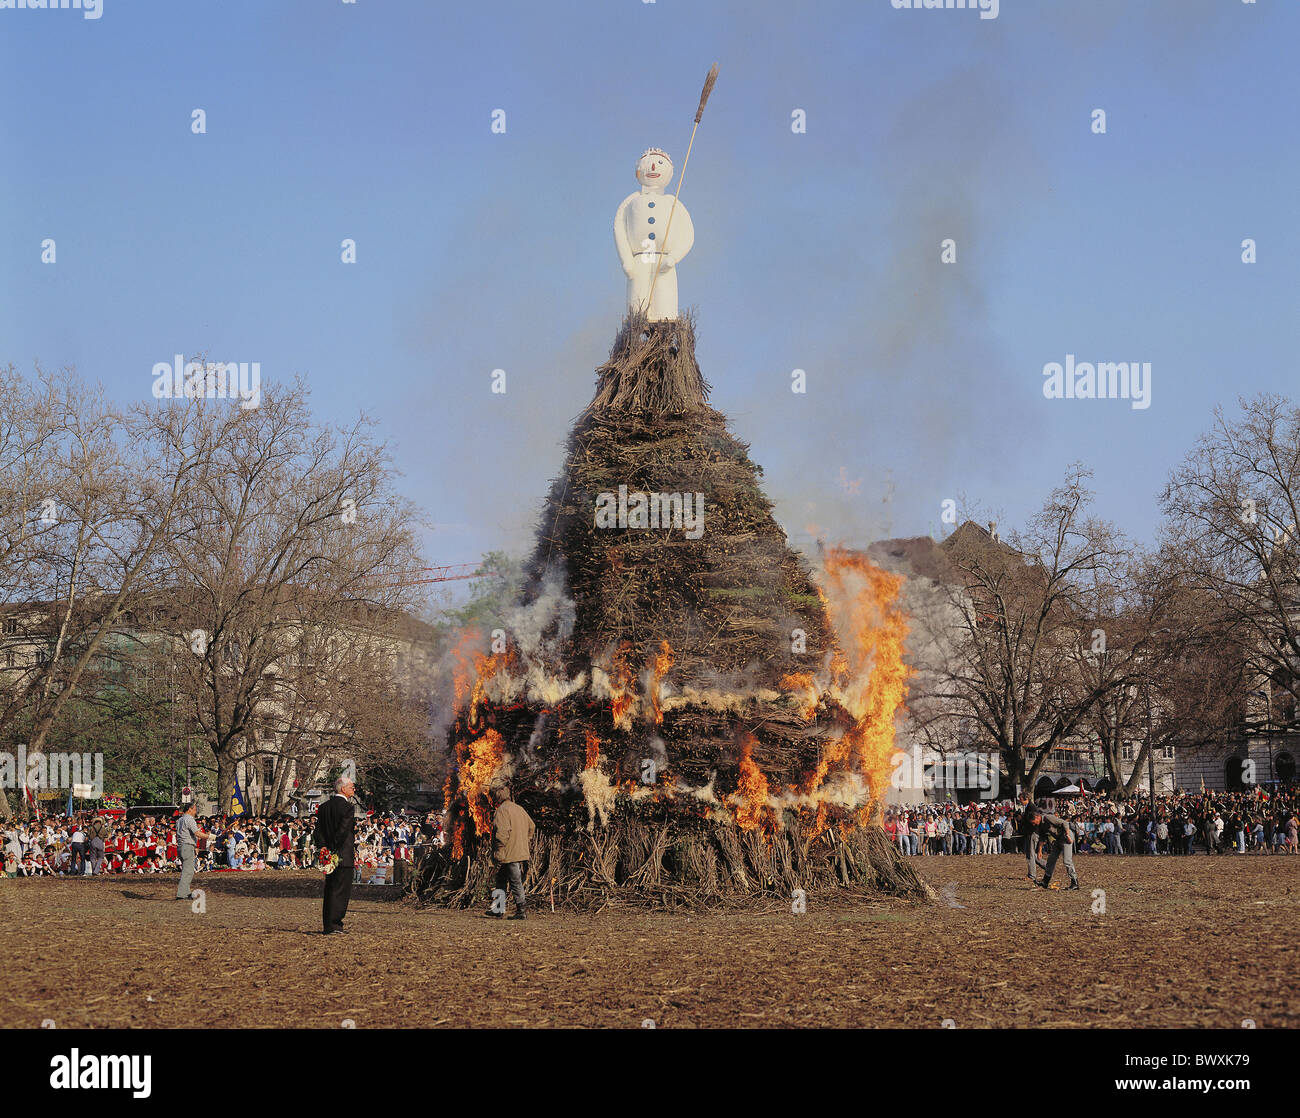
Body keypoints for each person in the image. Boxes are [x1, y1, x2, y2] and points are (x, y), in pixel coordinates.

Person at [314, 775, 356, 935]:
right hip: (342, 854)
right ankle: (335, 924)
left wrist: (324, 848)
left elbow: (318, 831)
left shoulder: (324, 807)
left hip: (328, 854)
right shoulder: (347, 808)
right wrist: (333, 849)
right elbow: (343, 831)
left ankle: (328, 924)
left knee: (330, 889)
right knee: (341, 891)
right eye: (352, 787)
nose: (354, 789)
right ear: (343, 788)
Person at [487, 785, 534, 921]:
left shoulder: (502, 810)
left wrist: (499, 849)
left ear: (497, 797)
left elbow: (501, 833)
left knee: (515, 881)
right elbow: (532, 826)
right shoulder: (519, 809)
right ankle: (498, 909)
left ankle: (521, 910)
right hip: (518, 850)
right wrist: (524, 841)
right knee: (501, 879)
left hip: (507, 852)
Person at [1037, 808, 1080, 890]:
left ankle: (1075, 882)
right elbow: (1042, 838)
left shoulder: (1048, 818)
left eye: (1033, 822)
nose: (1033, 824)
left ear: (1037, 817)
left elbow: (1064, 823)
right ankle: (1045, 881)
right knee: (1051, 859)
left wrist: (1067, 834)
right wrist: (1039, 851)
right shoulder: (1040, 825)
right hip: (1058, 839)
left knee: (1067, 860)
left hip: (1066, 835)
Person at [176, 803, 208, 900]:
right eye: (195, 809)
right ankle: (182, 894)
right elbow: (197, 833)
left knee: (187, 870)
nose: (195, 812)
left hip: (181, 846)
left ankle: (186, 892)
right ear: (190, 809)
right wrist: (209, 836)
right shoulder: (189, 819)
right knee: (188, 871)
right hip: (187, 846)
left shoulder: (179, 820)